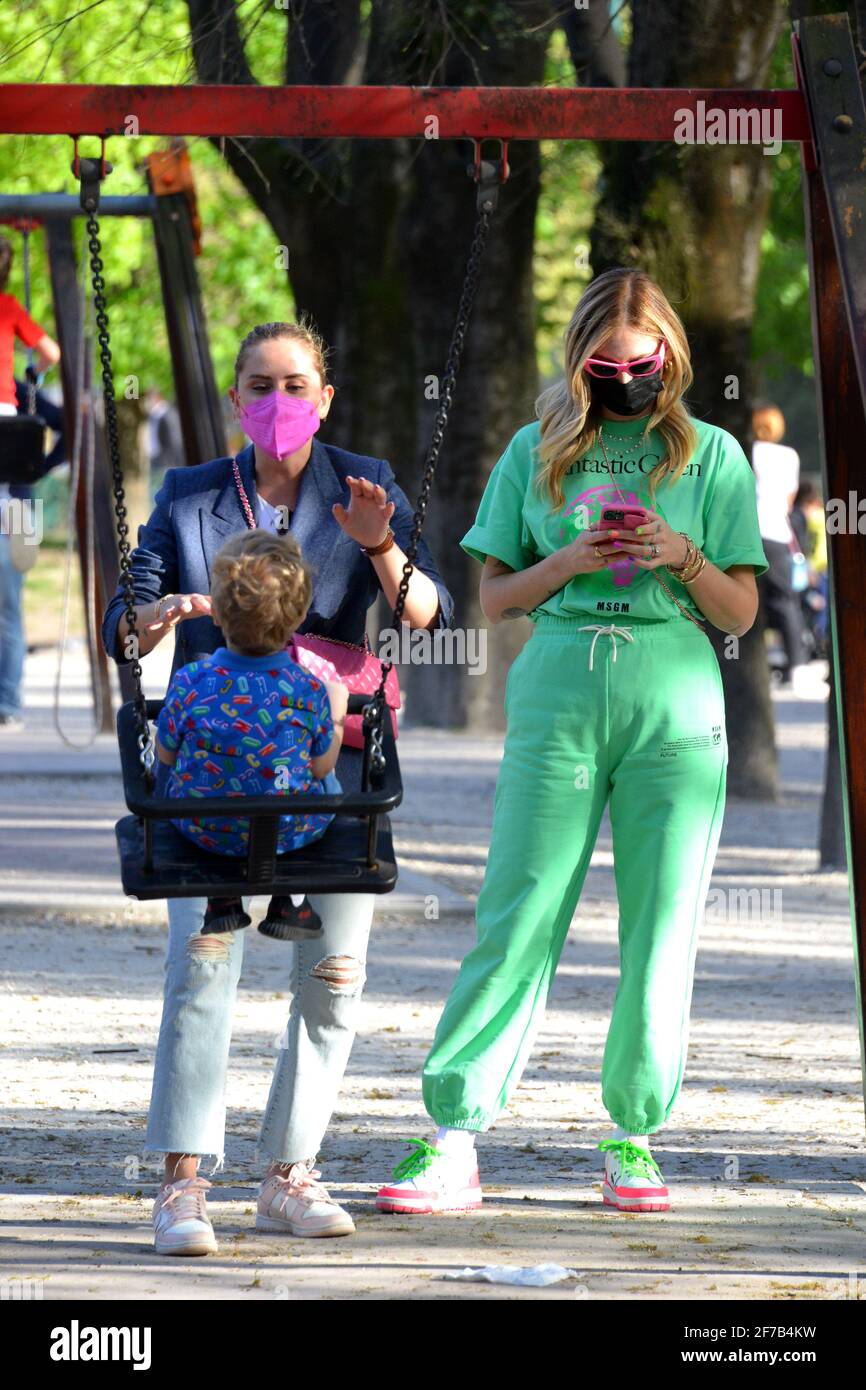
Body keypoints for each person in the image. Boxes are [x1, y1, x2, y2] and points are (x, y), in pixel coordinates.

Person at [375, 267, 768, 1217]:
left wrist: (681, 554)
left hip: (676, 702)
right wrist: (568, 559)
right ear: (580, 360)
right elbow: (496, 598)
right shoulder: (538, 447)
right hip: (557, 689)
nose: (627, 378)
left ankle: (633, 1137)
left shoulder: (711, 454)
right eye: (607, 364)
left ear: (670, 355)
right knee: (517, 910)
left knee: (661, 927)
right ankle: (454, 1134)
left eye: (643, 362)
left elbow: (743, 612)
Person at [101, 317, 454, 1255]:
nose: (279, 402)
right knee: (206, 963)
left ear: (324, 396)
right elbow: (119, 626)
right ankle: (183, 1182)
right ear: (235, 400)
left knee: (333, 975)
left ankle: (289, 1173)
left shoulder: (359, 482)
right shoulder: (188, 498)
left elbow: (428, 613)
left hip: (326, 754)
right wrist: (160, 612)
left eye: (297, 384)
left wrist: (381, 546)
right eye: (260, 384)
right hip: (214, 769)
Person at [155, 528, 348, 940]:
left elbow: (166, 756)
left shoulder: (190, 681)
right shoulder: (308, 689)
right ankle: (290, 901)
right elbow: (322, 763)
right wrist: (335, 717)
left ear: (218, 614)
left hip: (201, 827)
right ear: (297, 617)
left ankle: (221, 899)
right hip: (292, 830)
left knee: (201, 777)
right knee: (321, 781)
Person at [0, 234, 61, 731]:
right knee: (10, 601)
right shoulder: (9, 307)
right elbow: (51, 351)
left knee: (10, 598)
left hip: (18, 501)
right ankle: (9, 703)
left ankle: (9, 701)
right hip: (18, 491)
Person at [751, 404, 807, 684]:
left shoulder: (749, 451)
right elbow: (789, 499)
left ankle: (754, 662)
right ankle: (797, 662)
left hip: (750, 531)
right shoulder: (789, 456)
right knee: (785, 600)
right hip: (777, 532)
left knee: (750, 597)